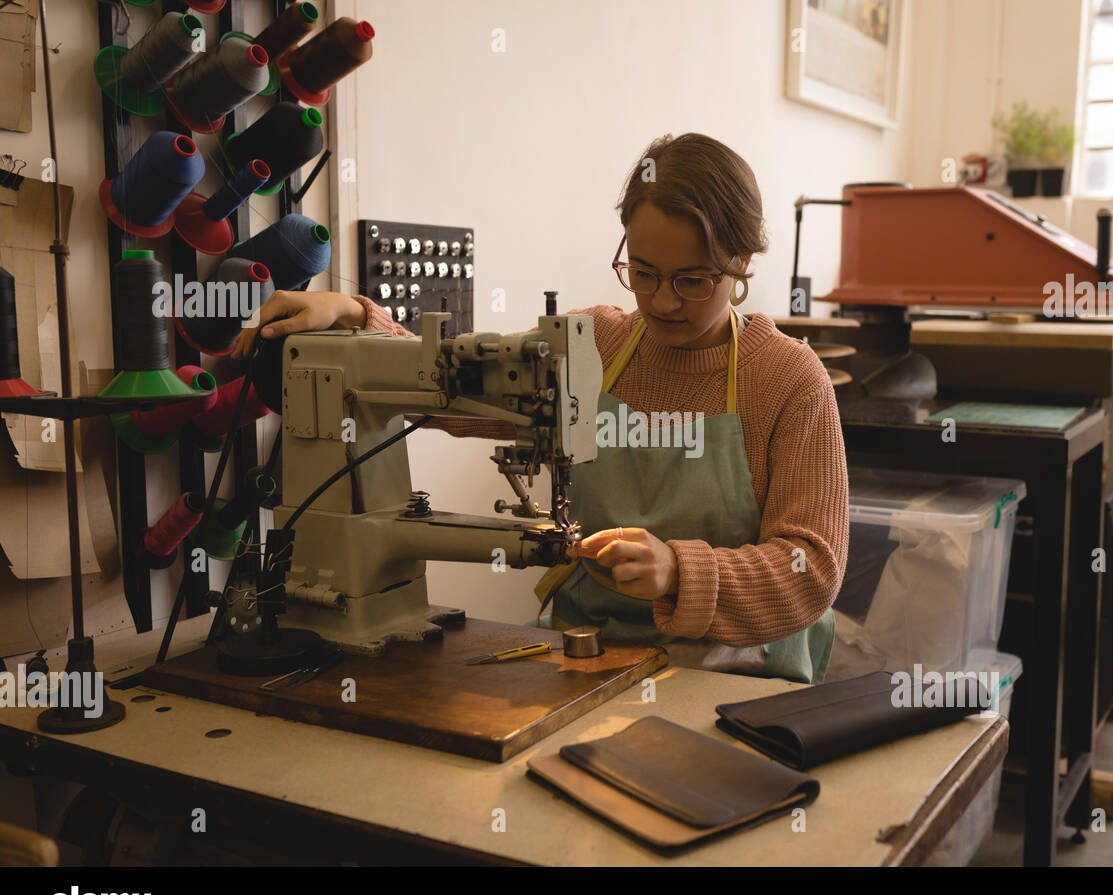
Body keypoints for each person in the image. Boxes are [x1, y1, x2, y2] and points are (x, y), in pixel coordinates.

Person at [232, 133, 848, 683]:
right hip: (592, 655)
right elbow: (454, 394)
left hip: (731, 675)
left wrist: (679, 572)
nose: (661, 301)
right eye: (642, 272)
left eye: (692, 280)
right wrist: (356, 318)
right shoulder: (594, 343)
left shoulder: (789, 379)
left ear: (741, 261)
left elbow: (812, 567)